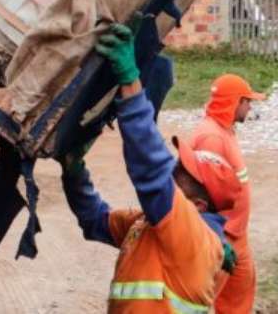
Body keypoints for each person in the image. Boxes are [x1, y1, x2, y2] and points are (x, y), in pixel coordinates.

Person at [60, 24, 240, 313]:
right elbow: (96, 220)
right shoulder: (148, 223)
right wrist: (74, 172)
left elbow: (152, 170)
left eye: (182, 172)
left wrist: (131, 84)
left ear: (197, 205)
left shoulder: (195, 240)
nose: (174, 167)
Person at [186, 74, 264, 313]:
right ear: (235, 102)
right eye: (247, 101)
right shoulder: (211, 138)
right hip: (221, 237)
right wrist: (217, 241)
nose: (250, 106)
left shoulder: (224, 131)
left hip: (236, 234)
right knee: (200, 302)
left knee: (241, 293)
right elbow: (204, 197)